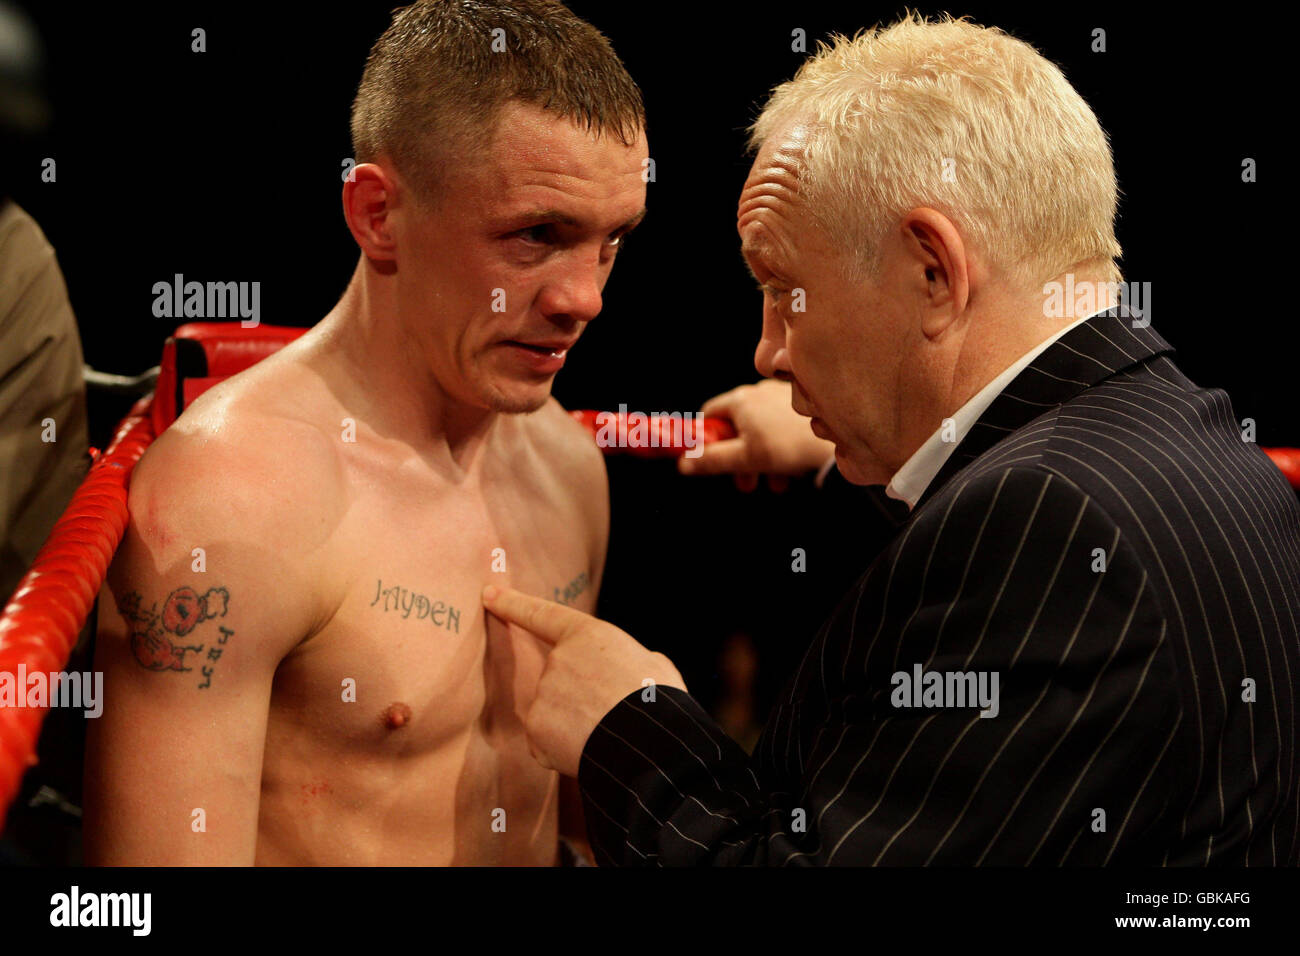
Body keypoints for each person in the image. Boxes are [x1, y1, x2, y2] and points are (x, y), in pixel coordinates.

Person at [481, 13, 1300, 865]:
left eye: (784, 289)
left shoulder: (1052, 525)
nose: (768, 349)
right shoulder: (1200, 449)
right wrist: (855, 456)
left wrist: (635, 731)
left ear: (933, 272)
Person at [83, 0, 646, 865]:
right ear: (378, 214)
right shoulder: (233, 495)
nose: (585, 297)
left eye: (612, 242)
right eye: (538, 235)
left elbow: (567, 829)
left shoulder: (569, 465)